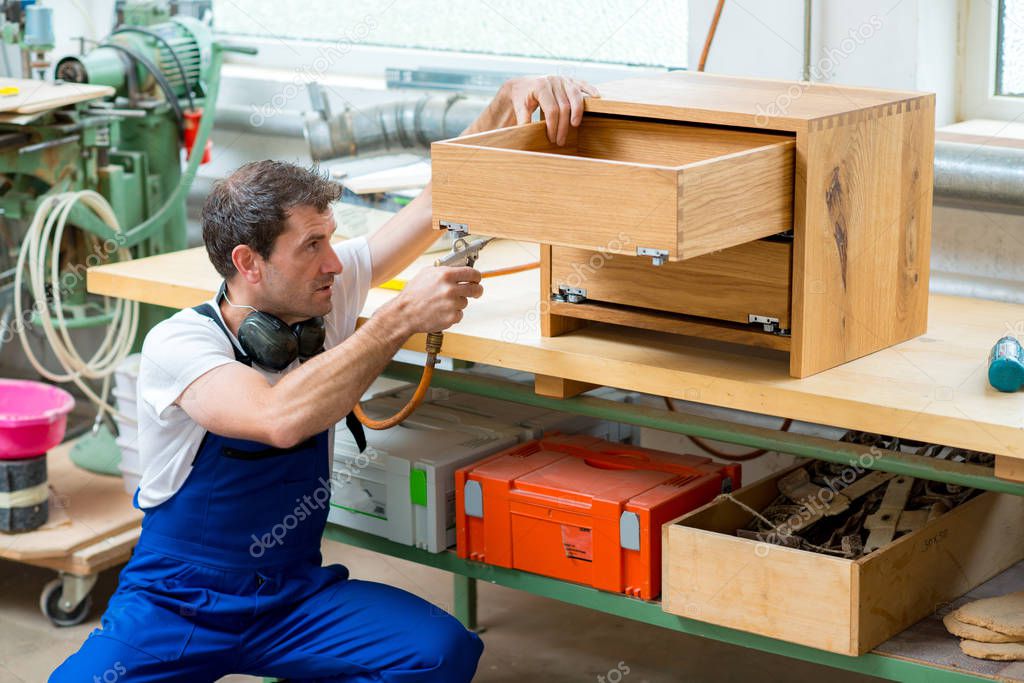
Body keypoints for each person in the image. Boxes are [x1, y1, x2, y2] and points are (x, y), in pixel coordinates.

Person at [51, 75, 599, 682]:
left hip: (291, 598)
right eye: (312, 246)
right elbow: (276, 419)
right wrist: (398, 319)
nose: (336, 263)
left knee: (440, 653)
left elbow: (436, 200)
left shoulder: (324, 297)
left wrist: (507, 100)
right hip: (178, 603)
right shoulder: (183, 342)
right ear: (248, 263)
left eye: (332, 240)